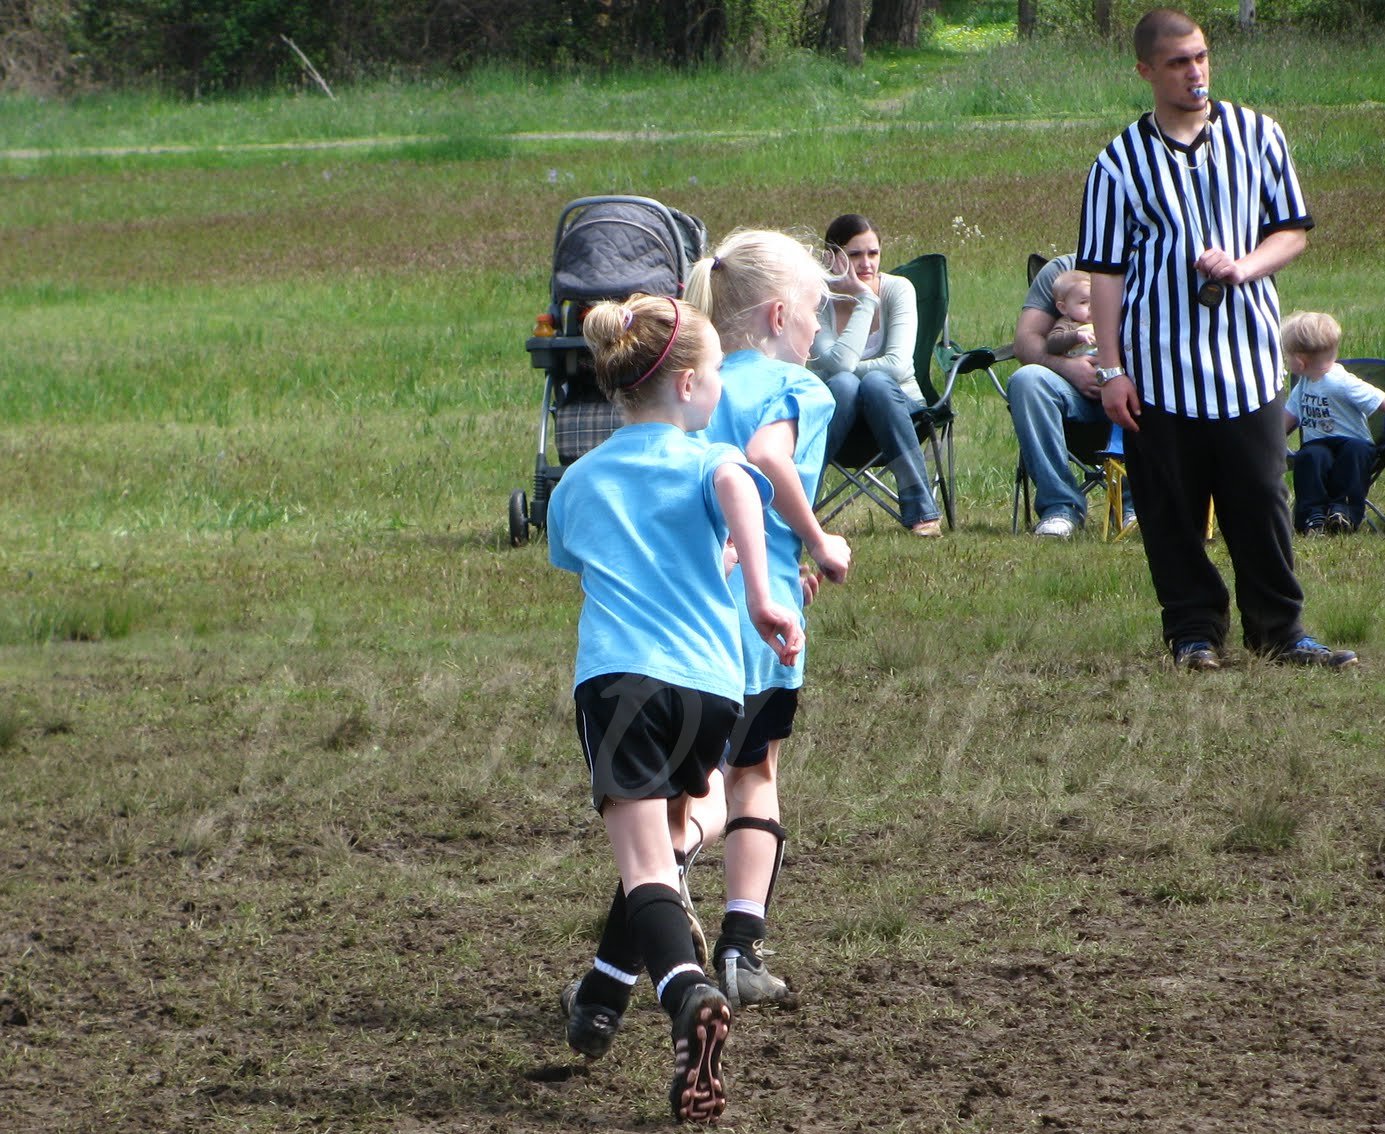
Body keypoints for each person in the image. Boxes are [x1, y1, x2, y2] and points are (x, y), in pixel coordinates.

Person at [548, 292, 805, 1123]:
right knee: (669, 841)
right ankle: (601, 991)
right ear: (691, 387)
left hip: (621, 683)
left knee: (647, 867)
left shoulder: (578, 481)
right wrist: (760, 594)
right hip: (710, 692)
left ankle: (686, 997)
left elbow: (584, 559)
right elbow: (739, 481)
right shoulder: (709, 460)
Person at [1080, 7, 1358, 670]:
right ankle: (1193, 632)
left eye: (1200, 57)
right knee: (1171, 509)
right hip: (1159, 370)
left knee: (1260, 498)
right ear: (1146, 71)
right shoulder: (1117, 163)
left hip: (1247, 364)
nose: (1194, 73)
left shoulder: (1258, 135)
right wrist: (1112, 368)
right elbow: (1105, 275)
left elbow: (1290, 229)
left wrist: (1243, 267)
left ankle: (1279, 631)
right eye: (1177, 63)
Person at [684, 229, 852, 1009]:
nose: (822, 327)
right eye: (818, 309)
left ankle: (672, 884)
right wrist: (818, 541)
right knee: (748, 775)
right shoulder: (800, 389)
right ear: (780, 315)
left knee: (697, 774)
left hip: (689, 605)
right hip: (759, 619)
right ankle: (731, 943)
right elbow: (768, 457)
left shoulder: (697, 385)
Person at [809, 213, 943, 536]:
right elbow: (835, 369)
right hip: (838, 411)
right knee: (843, 384)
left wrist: (844, 366)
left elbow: (897, 365)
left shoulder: (899, 290)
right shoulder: (818, 299)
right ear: (832, 258)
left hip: (898, 407)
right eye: (854, 254)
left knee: (875, 382)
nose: (866, 263)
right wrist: (865, 301)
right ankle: (797, 509)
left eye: (873, 253)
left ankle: (921, 510)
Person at [1006, 252, 1117, 537]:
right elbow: (1026, 341)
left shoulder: (1152, 259)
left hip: (1131, 391)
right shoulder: (1061, 270)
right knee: (1027, 380)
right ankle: (1060, 507)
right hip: (1074, 395)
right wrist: (1071, 369)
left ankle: (1135, 506)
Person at [1282, 311, 1385, 535]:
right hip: (1318, 443)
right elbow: (1287, 420)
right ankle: (1312, 516)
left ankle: (1344, 513)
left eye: (1287, 356)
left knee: (1355, 453)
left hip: (1353, 443)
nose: (1286, 360)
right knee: (1309, 457)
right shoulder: (1303, 385)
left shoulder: (1344, 382)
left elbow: (1380, 401)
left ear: (1299, 362)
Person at [1045, 269, 1098, 358]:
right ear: (1063, 308)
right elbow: (1051, 344)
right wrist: (1077, 336)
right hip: (1077, 366)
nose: (1092, 307)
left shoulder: (1103, 321)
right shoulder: (1067, 323)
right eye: (1083, 302)